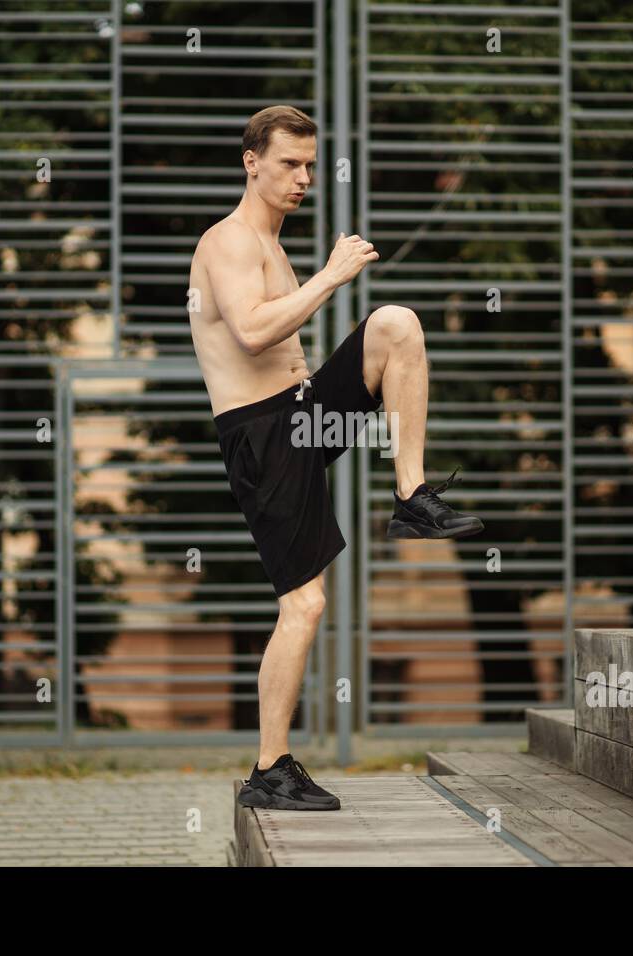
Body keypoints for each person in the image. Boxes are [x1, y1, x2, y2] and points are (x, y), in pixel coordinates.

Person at [187, 105, 483, 810]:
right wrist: (330, 276)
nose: (303, 178)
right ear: (251, 161)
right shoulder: (228, 241)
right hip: (262, 437)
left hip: (299, 417)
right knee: (305, 605)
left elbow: (288, 356)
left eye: (310, 165)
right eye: (289, 163)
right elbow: (255, 333)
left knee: (395, 327)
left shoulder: (272, 244)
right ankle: (270, 768)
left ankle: (411, 495)